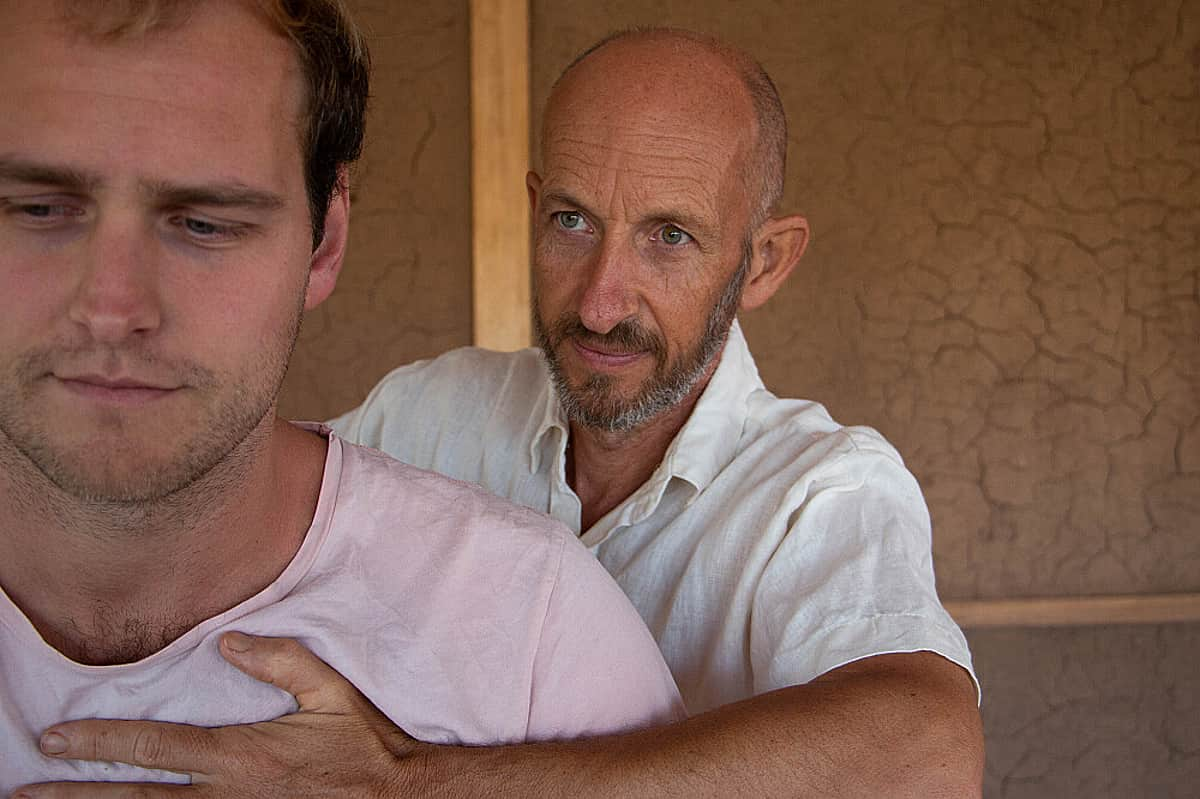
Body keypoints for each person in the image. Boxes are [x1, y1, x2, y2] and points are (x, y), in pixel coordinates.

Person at [23, 25, 985, 799]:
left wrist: (411, 784)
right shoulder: (430, 410)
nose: (602, 298)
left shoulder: (822, 493)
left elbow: (925, 758)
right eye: (571, 219)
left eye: (670, 237)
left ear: (764, 261)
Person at [0, 3, 685, 795]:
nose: (112, 307)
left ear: (323, 243)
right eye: (36, 208)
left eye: (204, 223)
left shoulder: (535, 631)